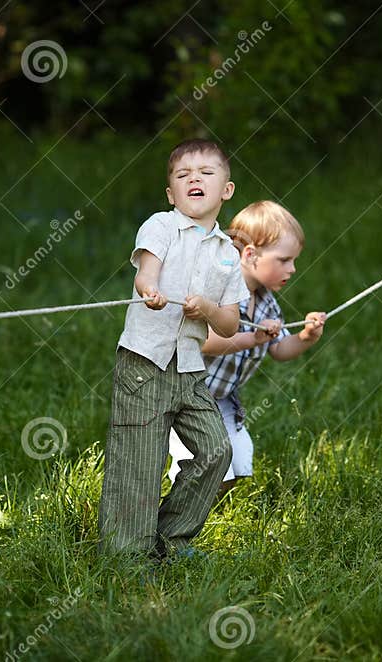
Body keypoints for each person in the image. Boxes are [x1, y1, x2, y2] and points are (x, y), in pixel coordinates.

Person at [99, 139, 250, 558]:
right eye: (183, 176)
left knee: (217, 450)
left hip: (189, 368)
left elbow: (230, 322)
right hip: (145, 362)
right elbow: (147, 273)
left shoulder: (227, 254)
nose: (194, 180)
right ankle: (124, 555)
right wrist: (150, 290)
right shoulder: (160, 226)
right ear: (171, 194)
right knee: (140, 462)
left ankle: (169, 538)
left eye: (205, 173)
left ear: (227, 190)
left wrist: (207, 310)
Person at [167, 200, 326, 499]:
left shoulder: (266, 302)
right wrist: (252, 340)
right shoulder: (221, 291)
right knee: (207, 463)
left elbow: (279, 350)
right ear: (250, 255)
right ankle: (176, 519)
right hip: (187, 395)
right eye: (284, 260)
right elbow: (207, 341)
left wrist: (306, 336)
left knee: (239, 461)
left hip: (224, 398)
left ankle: (205, 515)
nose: (292, 269)